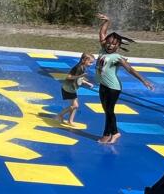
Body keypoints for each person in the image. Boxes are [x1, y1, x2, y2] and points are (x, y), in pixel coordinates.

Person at [95, 15, 156, 144]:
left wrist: (144, 81)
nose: (110, 45)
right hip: (103, 85)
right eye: (109, 43)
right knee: (106, 110)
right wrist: (107, 21)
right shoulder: (102, 49)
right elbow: (102, 33)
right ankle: (108, 134)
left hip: (113, 88)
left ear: (117, 46)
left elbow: (130, 69)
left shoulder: (117, 57)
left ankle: (113, 133)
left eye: (114, 44)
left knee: (109, 111)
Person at [57, 52, 97, 129]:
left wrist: (87, 83)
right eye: (90, 62)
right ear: (83, 60)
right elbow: (69, 76)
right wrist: (80, 76)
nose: (91, 64)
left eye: (92, 63)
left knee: (75, 106)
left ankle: (70, 121)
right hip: (68, 88)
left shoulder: (83, 67)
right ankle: (60, 115)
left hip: (72, 88)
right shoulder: (78, 68)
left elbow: (79, 78)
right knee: (75, 105)